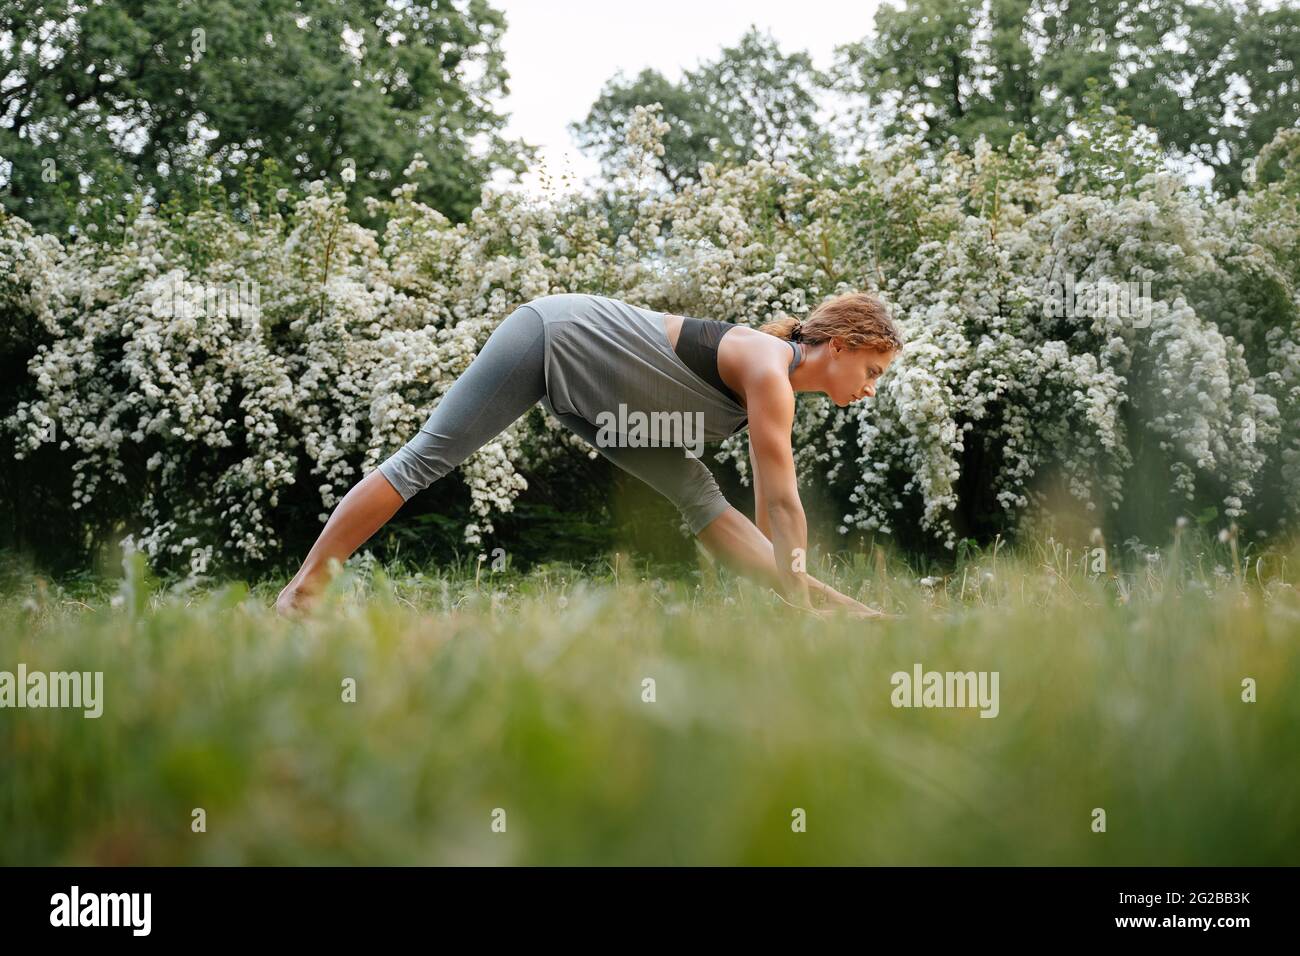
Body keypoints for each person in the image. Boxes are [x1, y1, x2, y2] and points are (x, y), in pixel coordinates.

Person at [275, 291, 903, 618]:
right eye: (872, 369)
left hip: (604, 404)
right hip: (555, 336)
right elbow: (780, 505)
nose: (870, 388)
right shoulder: (769, 370)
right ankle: (299, 594)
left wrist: (824, 603)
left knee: (699, 498)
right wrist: (796, 603)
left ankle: (846, 611)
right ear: (841, 345)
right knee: (425, 460)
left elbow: (759, 515)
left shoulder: (772, 380)